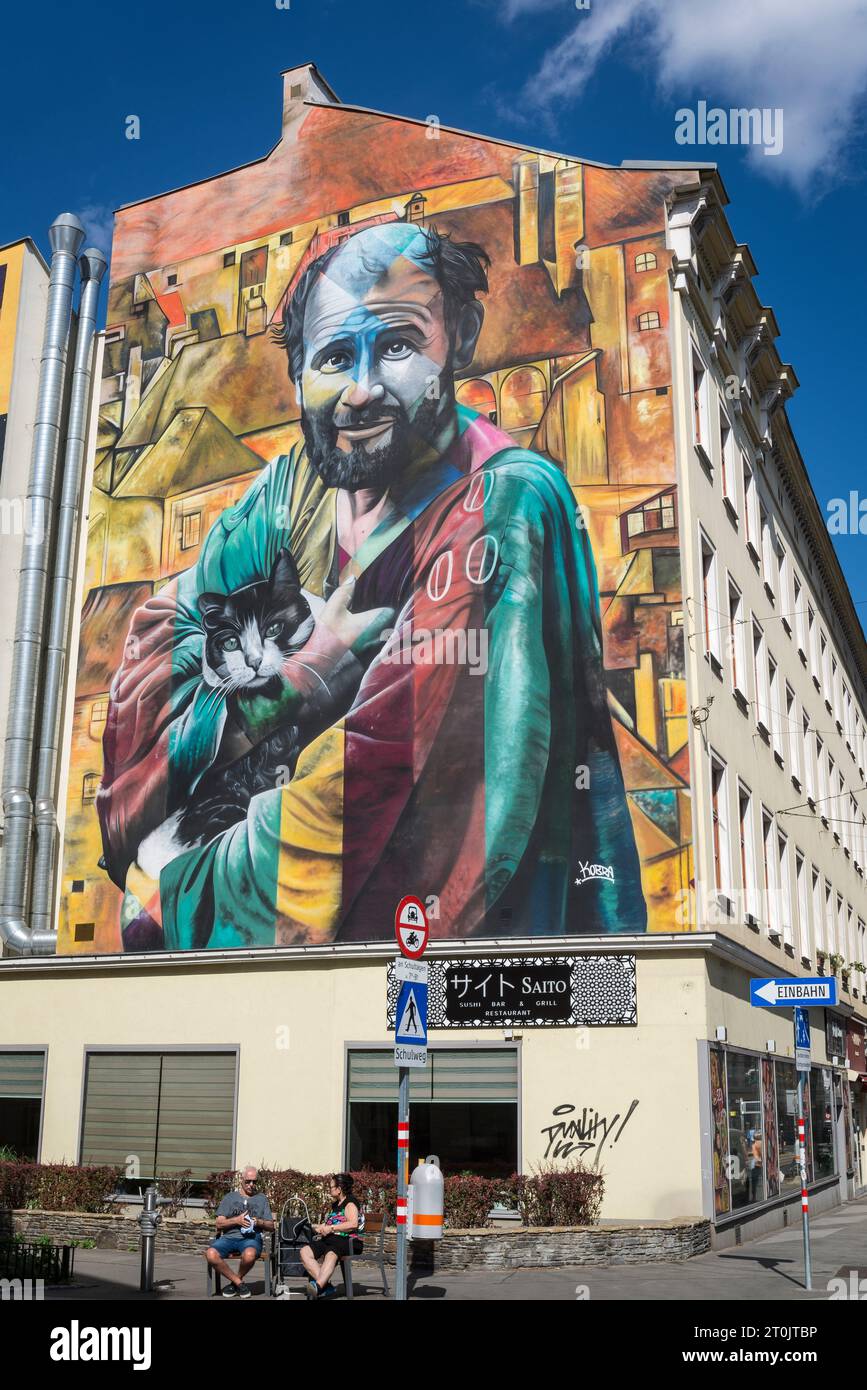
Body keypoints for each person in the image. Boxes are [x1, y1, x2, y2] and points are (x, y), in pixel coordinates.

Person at [99, 220, 646, 951]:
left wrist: (173, 887)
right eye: (333, 357)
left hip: (491, 979)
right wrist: (298, 683)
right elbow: (147, 674)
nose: (360, 392)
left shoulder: (502, 505)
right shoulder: (292, 489)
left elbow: (373, 797)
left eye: (395, 345)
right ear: (298, 376)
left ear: (462, 335)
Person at [205, 1166, 275, 1298]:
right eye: (248, 1181)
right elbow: (219, 1224)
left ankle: (234, 1283)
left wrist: (258, 1222)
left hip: (251, 1239)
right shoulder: (229, 1198)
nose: (251, 1185)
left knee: (249, 1255)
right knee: (211, 1254)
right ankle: (239, 1283)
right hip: (229, 1238)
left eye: (254, 1182)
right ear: (241, 1180)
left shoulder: (262, 1199)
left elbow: (271, 1226)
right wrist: (236, 1221)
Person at [298, 1173, 362, 1299]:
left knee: (331, 1253)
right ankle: (325, 1286)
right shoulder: (335, 1204)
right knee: (305, 1252)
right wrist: (320, 1227)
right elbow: (332, 1223)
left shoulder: (350, 1202)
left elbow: (353, 1224)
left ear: (339, 1189)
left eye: (331, 1187)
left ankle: (318, 1286)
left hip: (347, 1240)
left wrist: (331, 1228)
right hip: (331, 1239)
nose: (329, 1189)